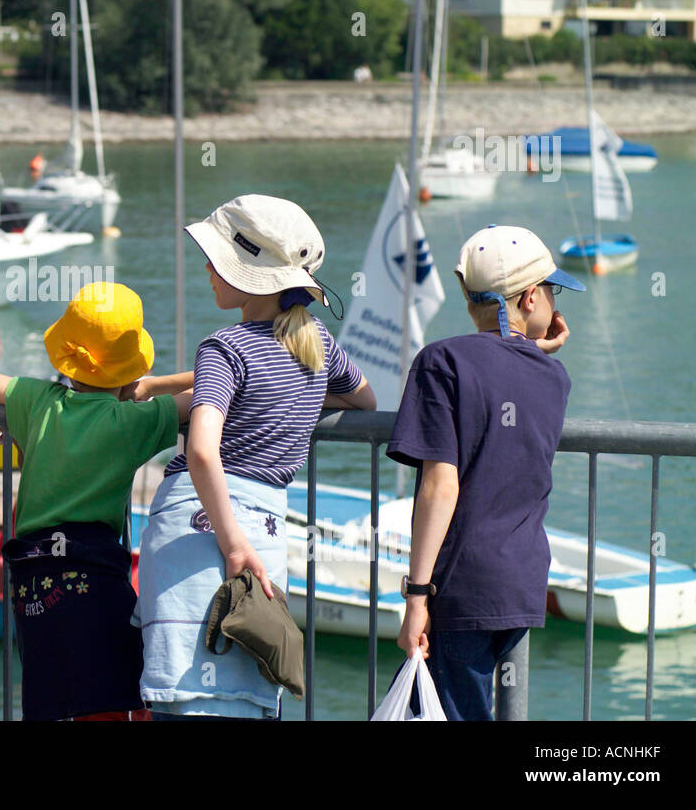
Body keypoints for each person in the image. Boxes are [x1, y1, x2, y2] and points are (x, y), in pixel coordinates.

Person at [135, 195, 375, 720]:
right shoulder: (319, 346)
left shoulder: (225, 346)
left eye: (217, 259)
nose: (207, 268)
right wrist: (300, 397)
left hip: (204, 529)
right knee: (244, 695)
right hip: (267, 531)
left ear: (250, 273)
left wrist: (232, 542)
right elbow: (364, 400)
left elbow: (201, 449)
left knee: (186, 697)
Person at [0, 282, 192, 721]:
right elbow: (217, 386)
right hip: (95, 575)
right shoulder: (131, 420)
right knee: (117, 702)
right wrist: (156, 385)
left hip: (32, 579)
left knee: (49, 700)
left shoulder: (39, 401)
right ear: (129, 367)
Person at [387, 224, 583, 721]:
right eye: (553, 290)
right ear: (533, 296)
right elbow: (507, 377)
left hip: (460, 584)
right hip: (519, 582)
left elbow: (440, 485)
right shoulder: (554, 378)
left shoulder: (442, 361)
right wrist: (538, 350)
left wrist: (416, 596)